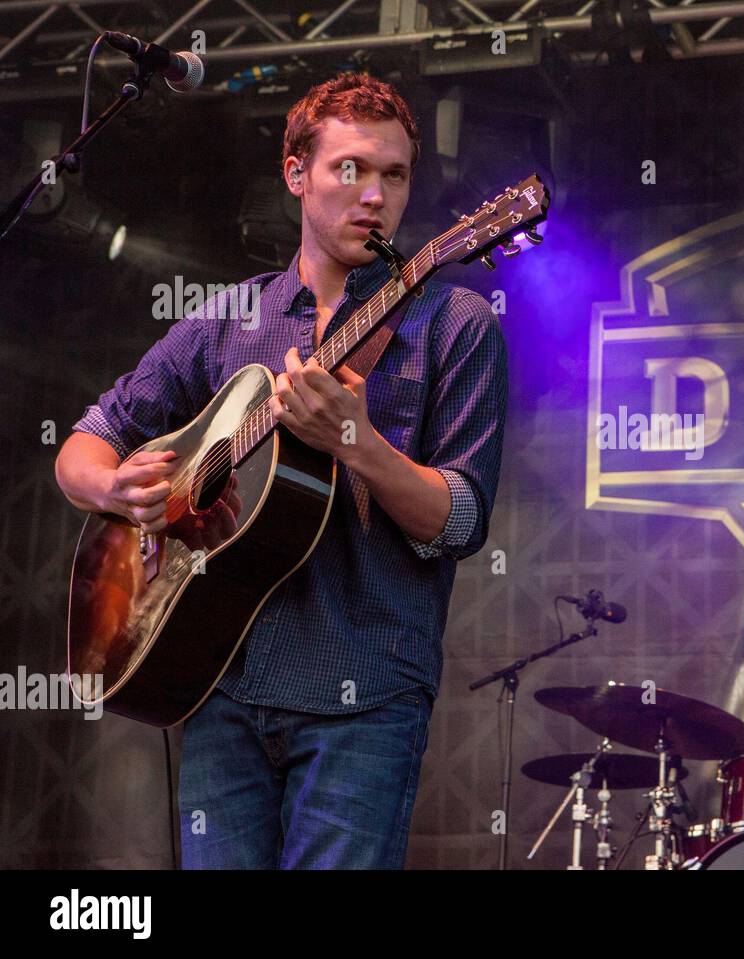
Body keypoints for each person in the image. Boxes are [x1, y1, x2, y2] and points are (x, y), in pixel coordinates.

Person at [53, 73, 507, 868]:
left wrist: (358, 443)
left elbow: (462, 520)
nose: (374, 195)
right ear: (297, 174)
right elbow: (83, 443)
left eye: (394, 175)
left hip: (366, 698)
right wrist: (115, 486)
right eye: (349, 169)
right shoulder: (228, 321)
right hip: (219, 688)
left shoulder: (452, 321)